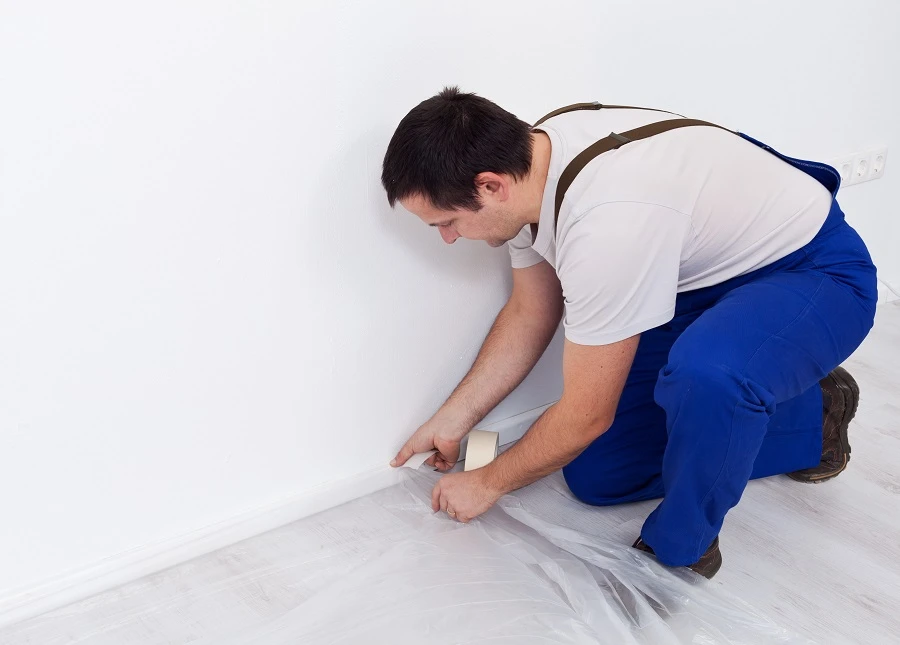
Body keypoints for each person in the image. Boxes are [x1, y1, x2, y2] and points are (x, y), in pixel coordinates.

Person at [381, 87, 877, 578]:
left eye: (446, 222)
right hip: (705, 279)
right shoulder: (533, 164)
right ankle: (816, 413)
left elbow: (585, 417)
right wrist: (455, 417)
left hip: (814, 273)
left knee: (707, 376)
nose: (447, 238)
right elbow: (531, 313)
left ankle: (680, 550)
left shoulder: (607, 225)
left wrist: (487, 482)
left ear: (490, 186)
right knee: (599, 474)